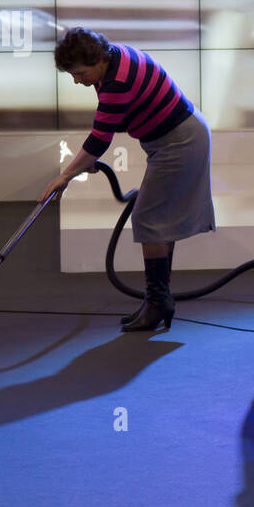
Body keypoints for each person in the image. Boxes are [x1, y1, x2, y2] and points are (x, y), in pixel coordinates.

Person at [42, 27, 215, 332]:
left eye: (80, 73)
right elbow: (111, 126)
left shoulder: (117, 81)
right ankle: (159, 301)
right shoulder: (113, 60)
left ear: (97, 59)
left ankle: (158, 301)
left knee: (148, 218)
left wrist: (66, 176)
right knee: (157, 218)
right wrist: (84, 164)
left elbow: (99, 139)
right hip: (173, 139)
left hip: (180, 143)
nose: (76, 80)